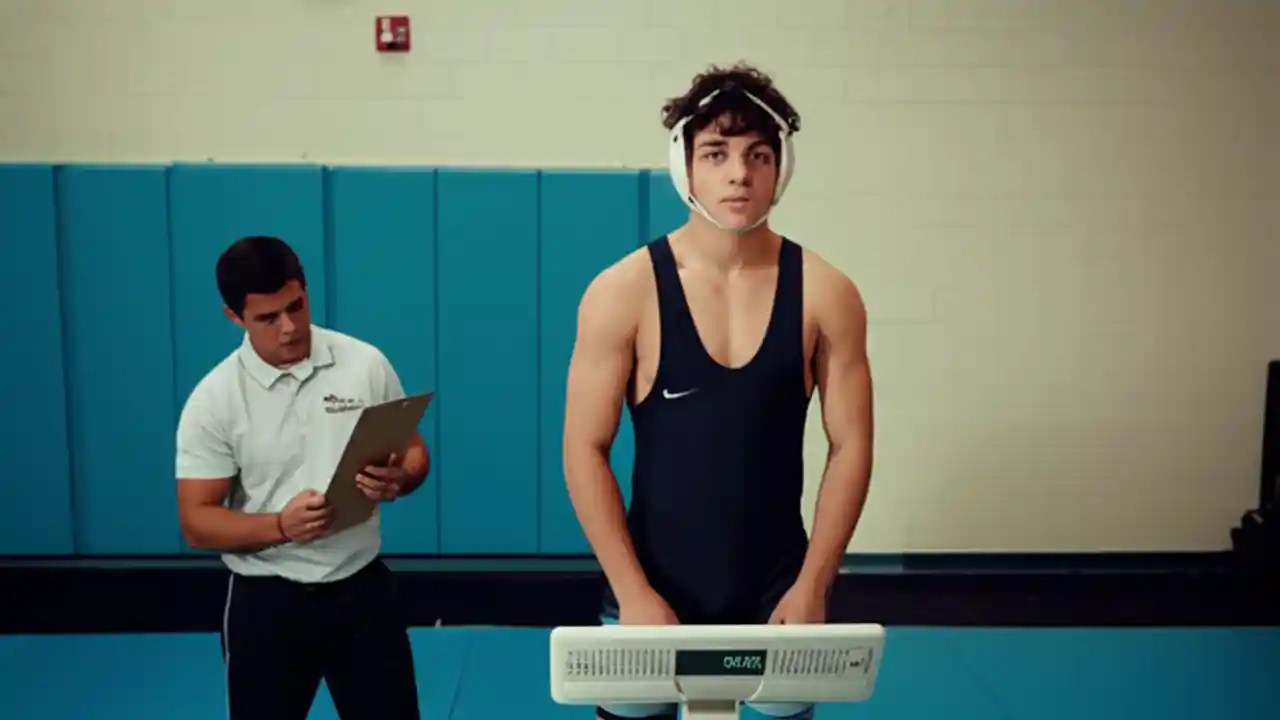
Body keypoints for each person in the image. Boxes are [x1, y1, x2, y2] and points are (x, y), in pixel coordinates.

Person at [562, 63, 874, 720]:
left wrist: (813, 584)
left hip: (778, 589)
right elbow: (585, 449)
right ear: (685, 167)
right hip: (648, 584)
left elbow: (851, 445)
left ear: (781, 168)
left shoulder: (827, 294)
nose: (738, 173)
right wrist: (631, 590)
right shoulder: (623, 292)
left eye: (758, 155)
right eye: (717, 153)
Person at [174, 235, 429, 720]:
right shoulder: (215, 399)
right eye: (268, 318)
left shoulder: (364, 363)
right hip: (267, 600)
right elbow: (197, 521)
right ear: (235, 317)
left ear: (307, 290)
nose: (289, 328)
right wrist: (281, 527)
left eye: (296, 306)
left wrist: (401, 477)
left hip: (363, 591)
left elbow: (414, 449)